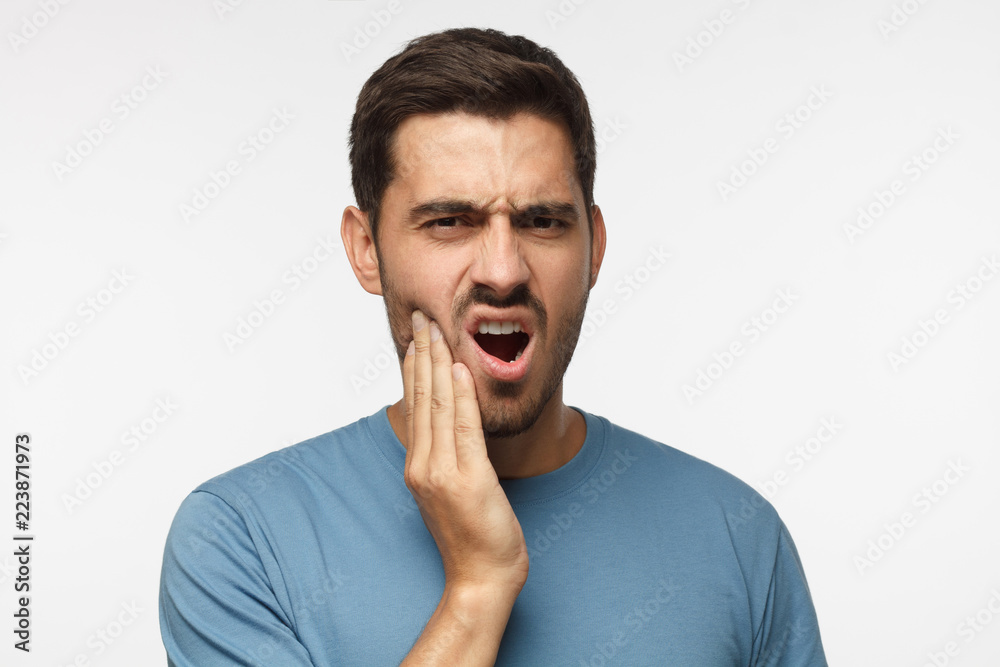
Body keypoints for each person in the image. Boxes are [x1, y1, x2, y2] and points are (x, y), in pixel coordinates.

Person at [159, 27, 828, 666]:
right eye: (450, 221)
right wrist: (479, 586)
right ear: (366, 249)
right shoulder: (240, 540)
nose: (504, 271)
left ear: (594, 247)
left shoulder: (738, 535)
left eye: (543, 221)